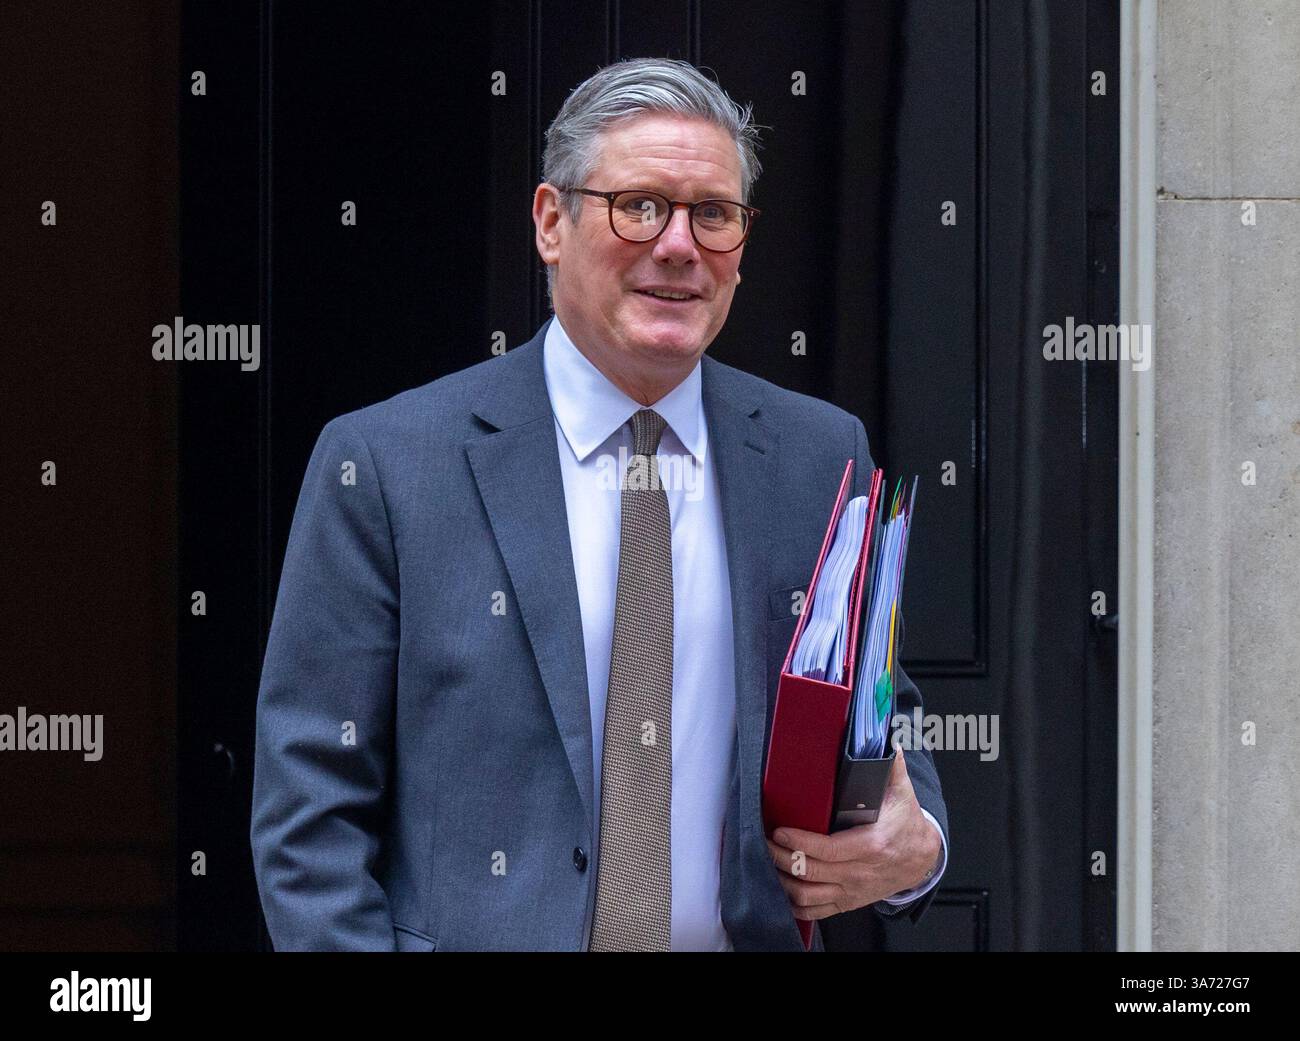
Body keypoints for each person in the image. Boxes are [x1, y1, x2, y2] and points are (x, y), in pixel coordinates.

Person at [250, 56, 947, 952]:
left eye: (714, 215)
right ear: (551, 221)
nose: (679, 246)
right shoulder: (388, 466)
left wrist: (916, 842)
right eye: (640, 205)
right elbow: (310, 811)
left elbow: (880, 719)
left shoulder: (818, 456)